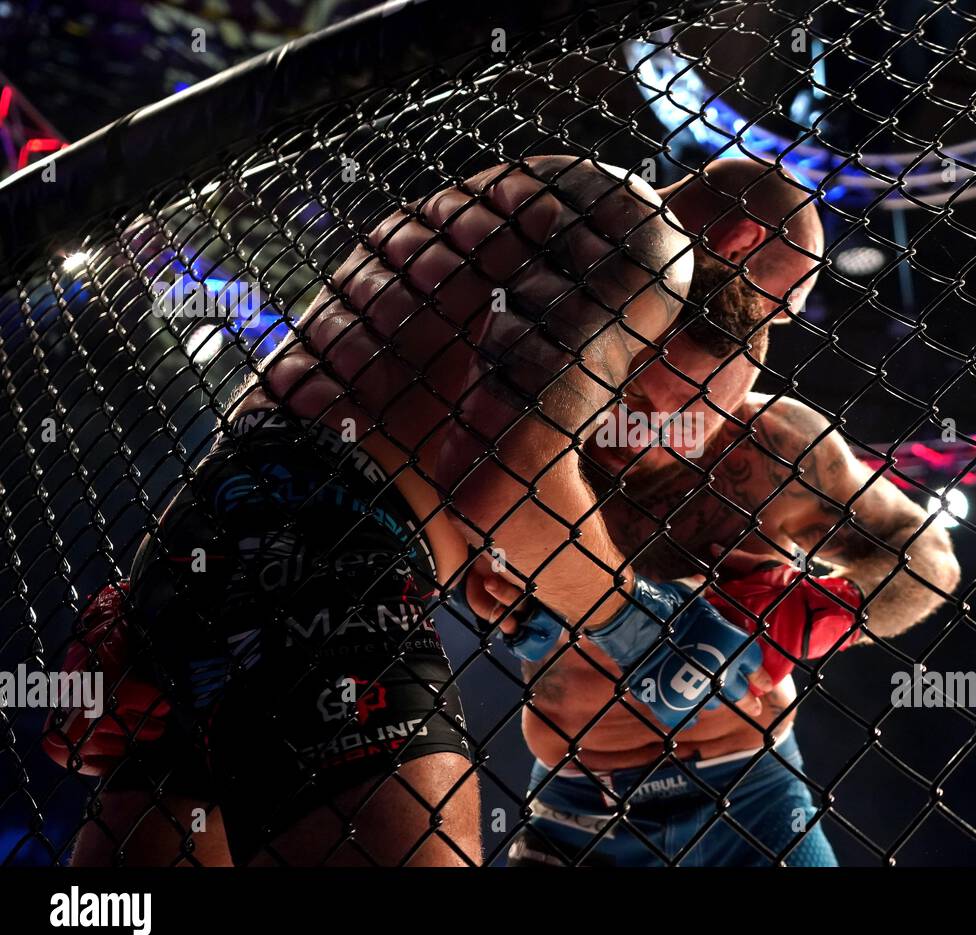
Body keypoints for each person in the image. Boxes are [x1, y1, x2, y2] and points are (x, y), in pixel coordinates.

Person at [46, 155, 766, 865]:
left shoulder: (503, 210)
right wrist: (632, 621)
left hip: (212, 527)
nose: (645, 436)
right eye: (657, 409)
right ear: (746, 245)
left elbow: (461, 446)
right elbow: (502, 481)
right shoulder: (643, 240)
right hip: (332, 560)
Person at [459, 159, 962, 866]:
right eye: (642, 402)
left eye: (699, 408)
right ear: (613, 358)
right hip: (583, 800)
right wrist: (477, 578)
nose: (663, 426)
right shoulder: (529, 442)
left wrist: (827, 615)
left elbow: (926, 553)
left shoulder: (777, 443)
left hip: (755, 792)